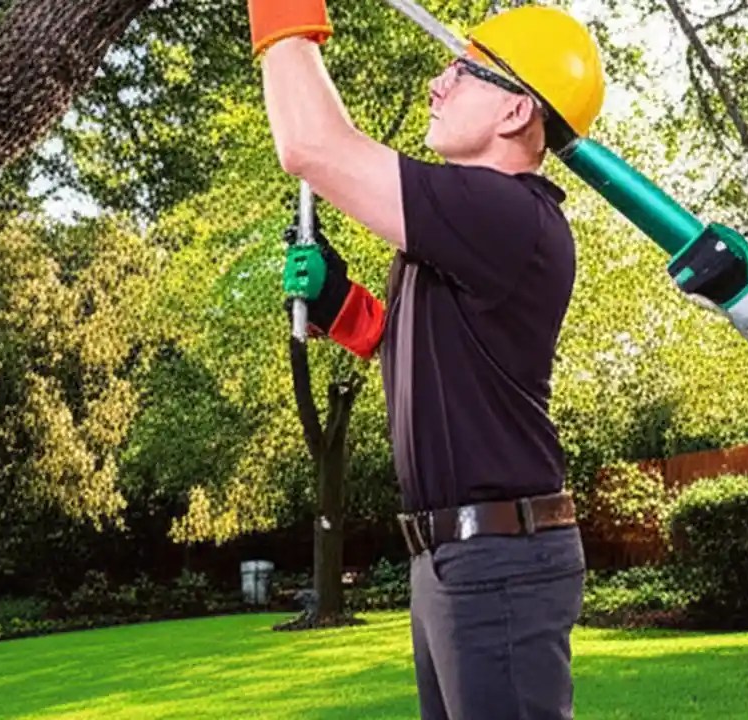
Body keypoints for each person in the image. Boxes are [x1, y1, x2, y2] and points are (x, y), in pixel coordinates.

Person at [245, 1, 606, 717]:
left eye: (461, 72)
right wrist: (339, 305)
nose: (436, 86)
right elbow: (414, 345)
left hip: (495, 563)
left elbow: (312, 144)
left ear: (515, 112)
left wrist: (283, 9)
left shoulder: (504, 213)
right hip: (456, 561)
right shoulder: (470, 230)